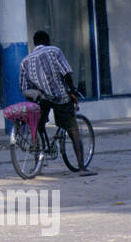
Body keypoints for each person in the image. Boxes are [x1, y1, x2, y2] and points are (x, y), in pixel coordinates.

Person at [18, 31, 92, 175]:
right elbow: (66, 72)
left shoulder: (25, 61)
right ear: (48, 41)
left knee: (38, 129)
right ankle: (82, 168)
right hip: (60, 96)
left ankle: (37, 166)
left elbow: (24, 87)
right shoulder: (54, 51)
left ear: (34, 43)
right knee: (73, 129)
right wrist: (72, 91)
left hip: (41, 99)